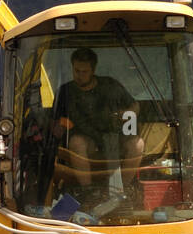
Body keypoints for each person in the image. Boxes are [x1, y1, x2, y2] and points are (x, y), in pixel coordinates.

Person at [52, 47, 144, 195]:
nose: (79, 76)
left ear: (93, 70)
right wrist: (60, 126)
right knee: (76, 142)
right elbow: (55, 122)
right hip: (87, 141)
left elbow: (135, 105)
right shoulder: (65, 92)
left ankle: (124, 190)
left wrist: (126, 114)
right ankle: (87, 192)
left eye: (84, 72)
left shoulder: (110, 86)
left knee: (138, 145)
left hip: (115, 138)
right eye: (76, 71)